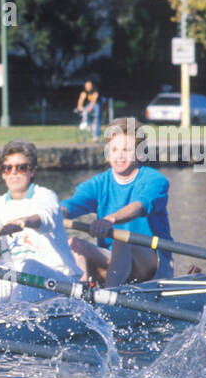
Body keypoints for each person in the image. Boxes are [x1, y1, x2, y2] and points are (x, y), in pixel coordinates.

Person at [62, 116, 172, 286]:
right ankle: (79, 295)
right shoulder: (99, 183)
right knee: (75, 244)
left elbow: (138, 206)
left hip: (153, 266)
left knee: (123, 241)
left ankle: (108, 297)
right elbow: (72, 204)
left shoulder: (155, 181)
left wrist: (110, 219)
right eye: (114, 150)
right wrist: (53, 214)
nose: (119, 156)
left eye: (126, 150)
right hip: (114, 261)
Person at [0, 140, 81, 303]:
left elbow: (44, 217)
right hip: (18, 277)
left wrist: (25, 221)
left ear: (32, 171)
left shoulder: (45, 196)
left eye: (20, 167)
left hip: (60, 280)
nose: (13, 173)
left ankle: (13, 318)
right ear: (3, 173)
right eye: (7, 168)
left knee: (29, 266)